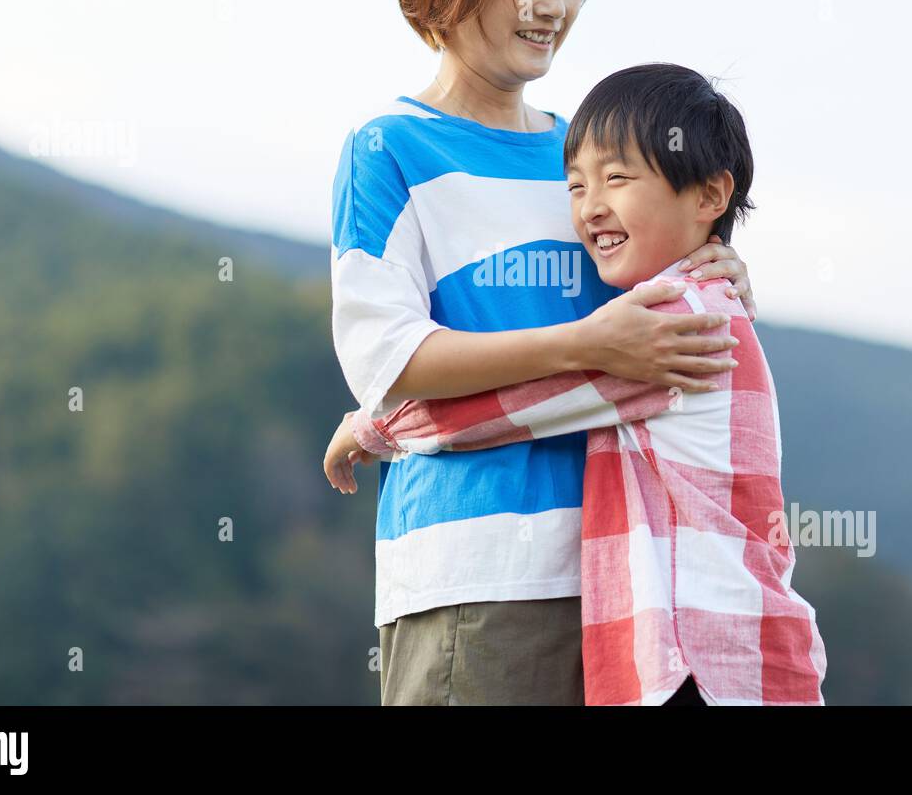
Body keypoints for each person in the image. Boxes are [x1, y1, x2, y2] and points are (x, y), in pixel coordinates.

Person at [329, 0, 757, 706]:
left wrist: (720, 265)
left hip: (629, 571)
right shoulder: (390, 151)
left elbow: (658, 334)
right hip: (474, 576)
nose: (553, 6)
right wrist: (585, 342)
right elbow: (388, 356)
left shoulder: (589, 154)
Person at [329, 63, 827, 705]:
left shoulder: (671, 327)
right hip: (732, 657)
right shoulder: (705, 304)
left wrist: (371, 426)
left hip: (697, 662)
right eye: (575, 186)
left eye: (617, 178)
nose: (590, 206)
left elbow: (508, 408)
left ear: (709, 196)